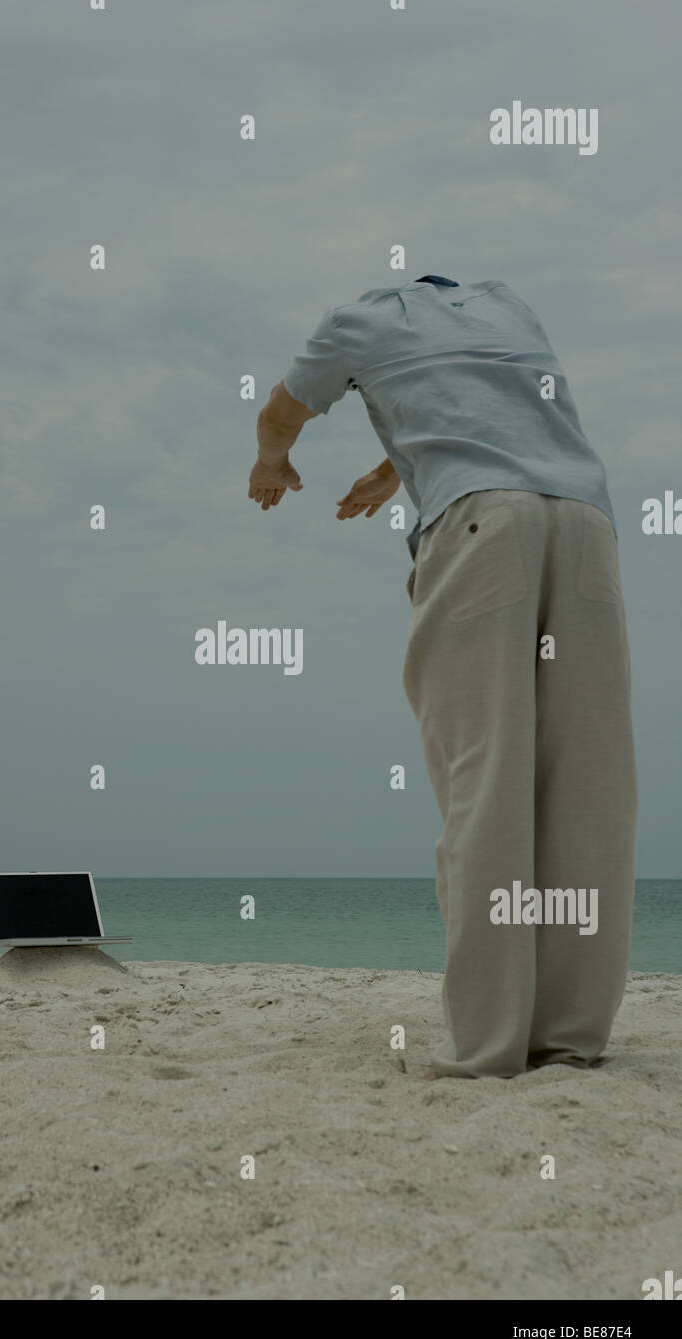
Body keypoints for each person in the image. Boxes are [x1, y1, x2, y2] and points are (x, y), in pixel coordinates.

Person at [249, 274, 637, 1079]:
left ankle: (488, 1048)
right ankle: (569, 1037)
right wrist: (394, 468)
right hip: (586, 521)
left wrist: (271, 460)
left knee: (485, 782)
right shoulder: (507, 306)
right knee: (587, 787)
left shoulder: (357, 318)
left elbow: (279, 410)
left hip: (479, 527)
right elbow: (485, 408)